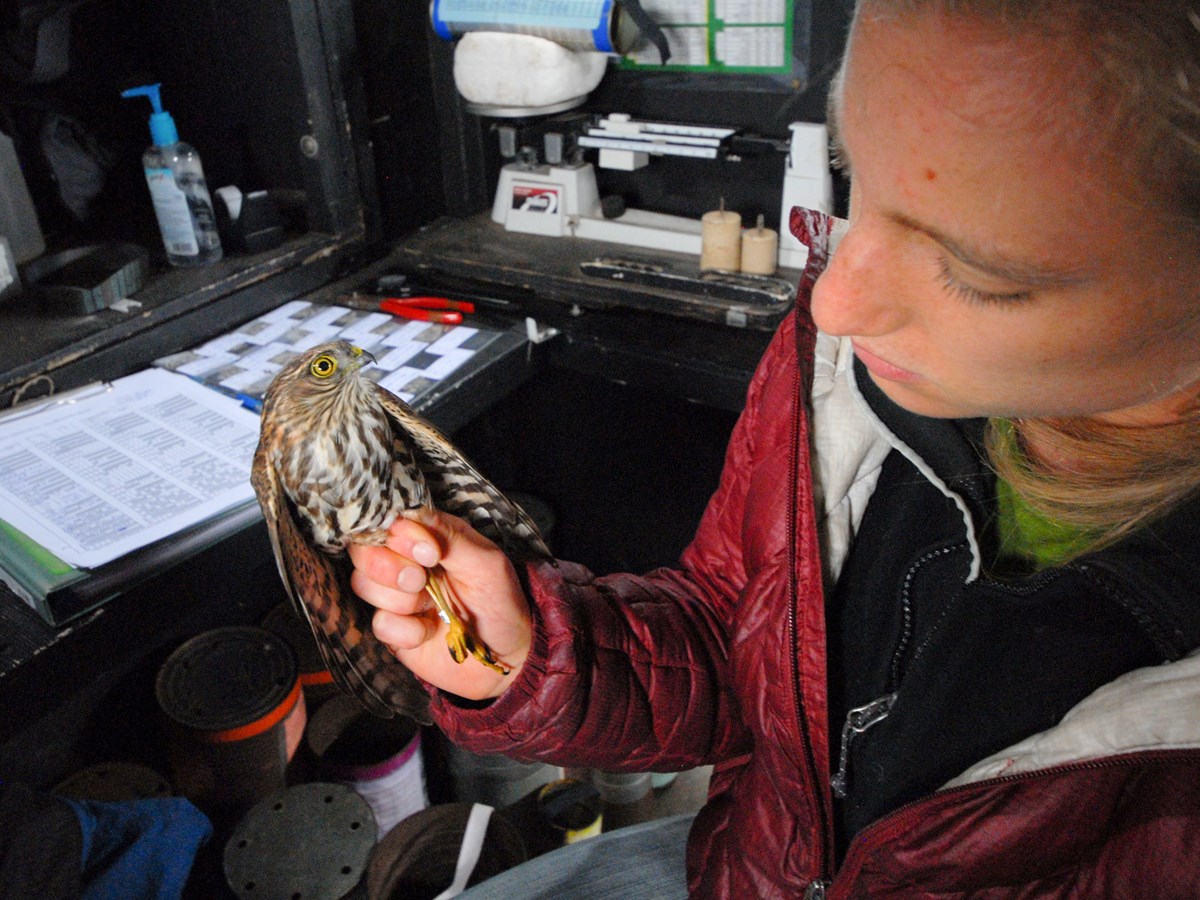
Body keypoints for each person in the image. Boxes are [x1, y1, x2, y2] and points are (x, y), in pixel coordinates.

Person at [349, 0, 1200, 895]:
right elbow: (749, 640)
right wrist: (541, 654)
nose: (835, 301)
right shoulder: (844, 372)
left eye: (975, 274)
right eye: (856, 180)